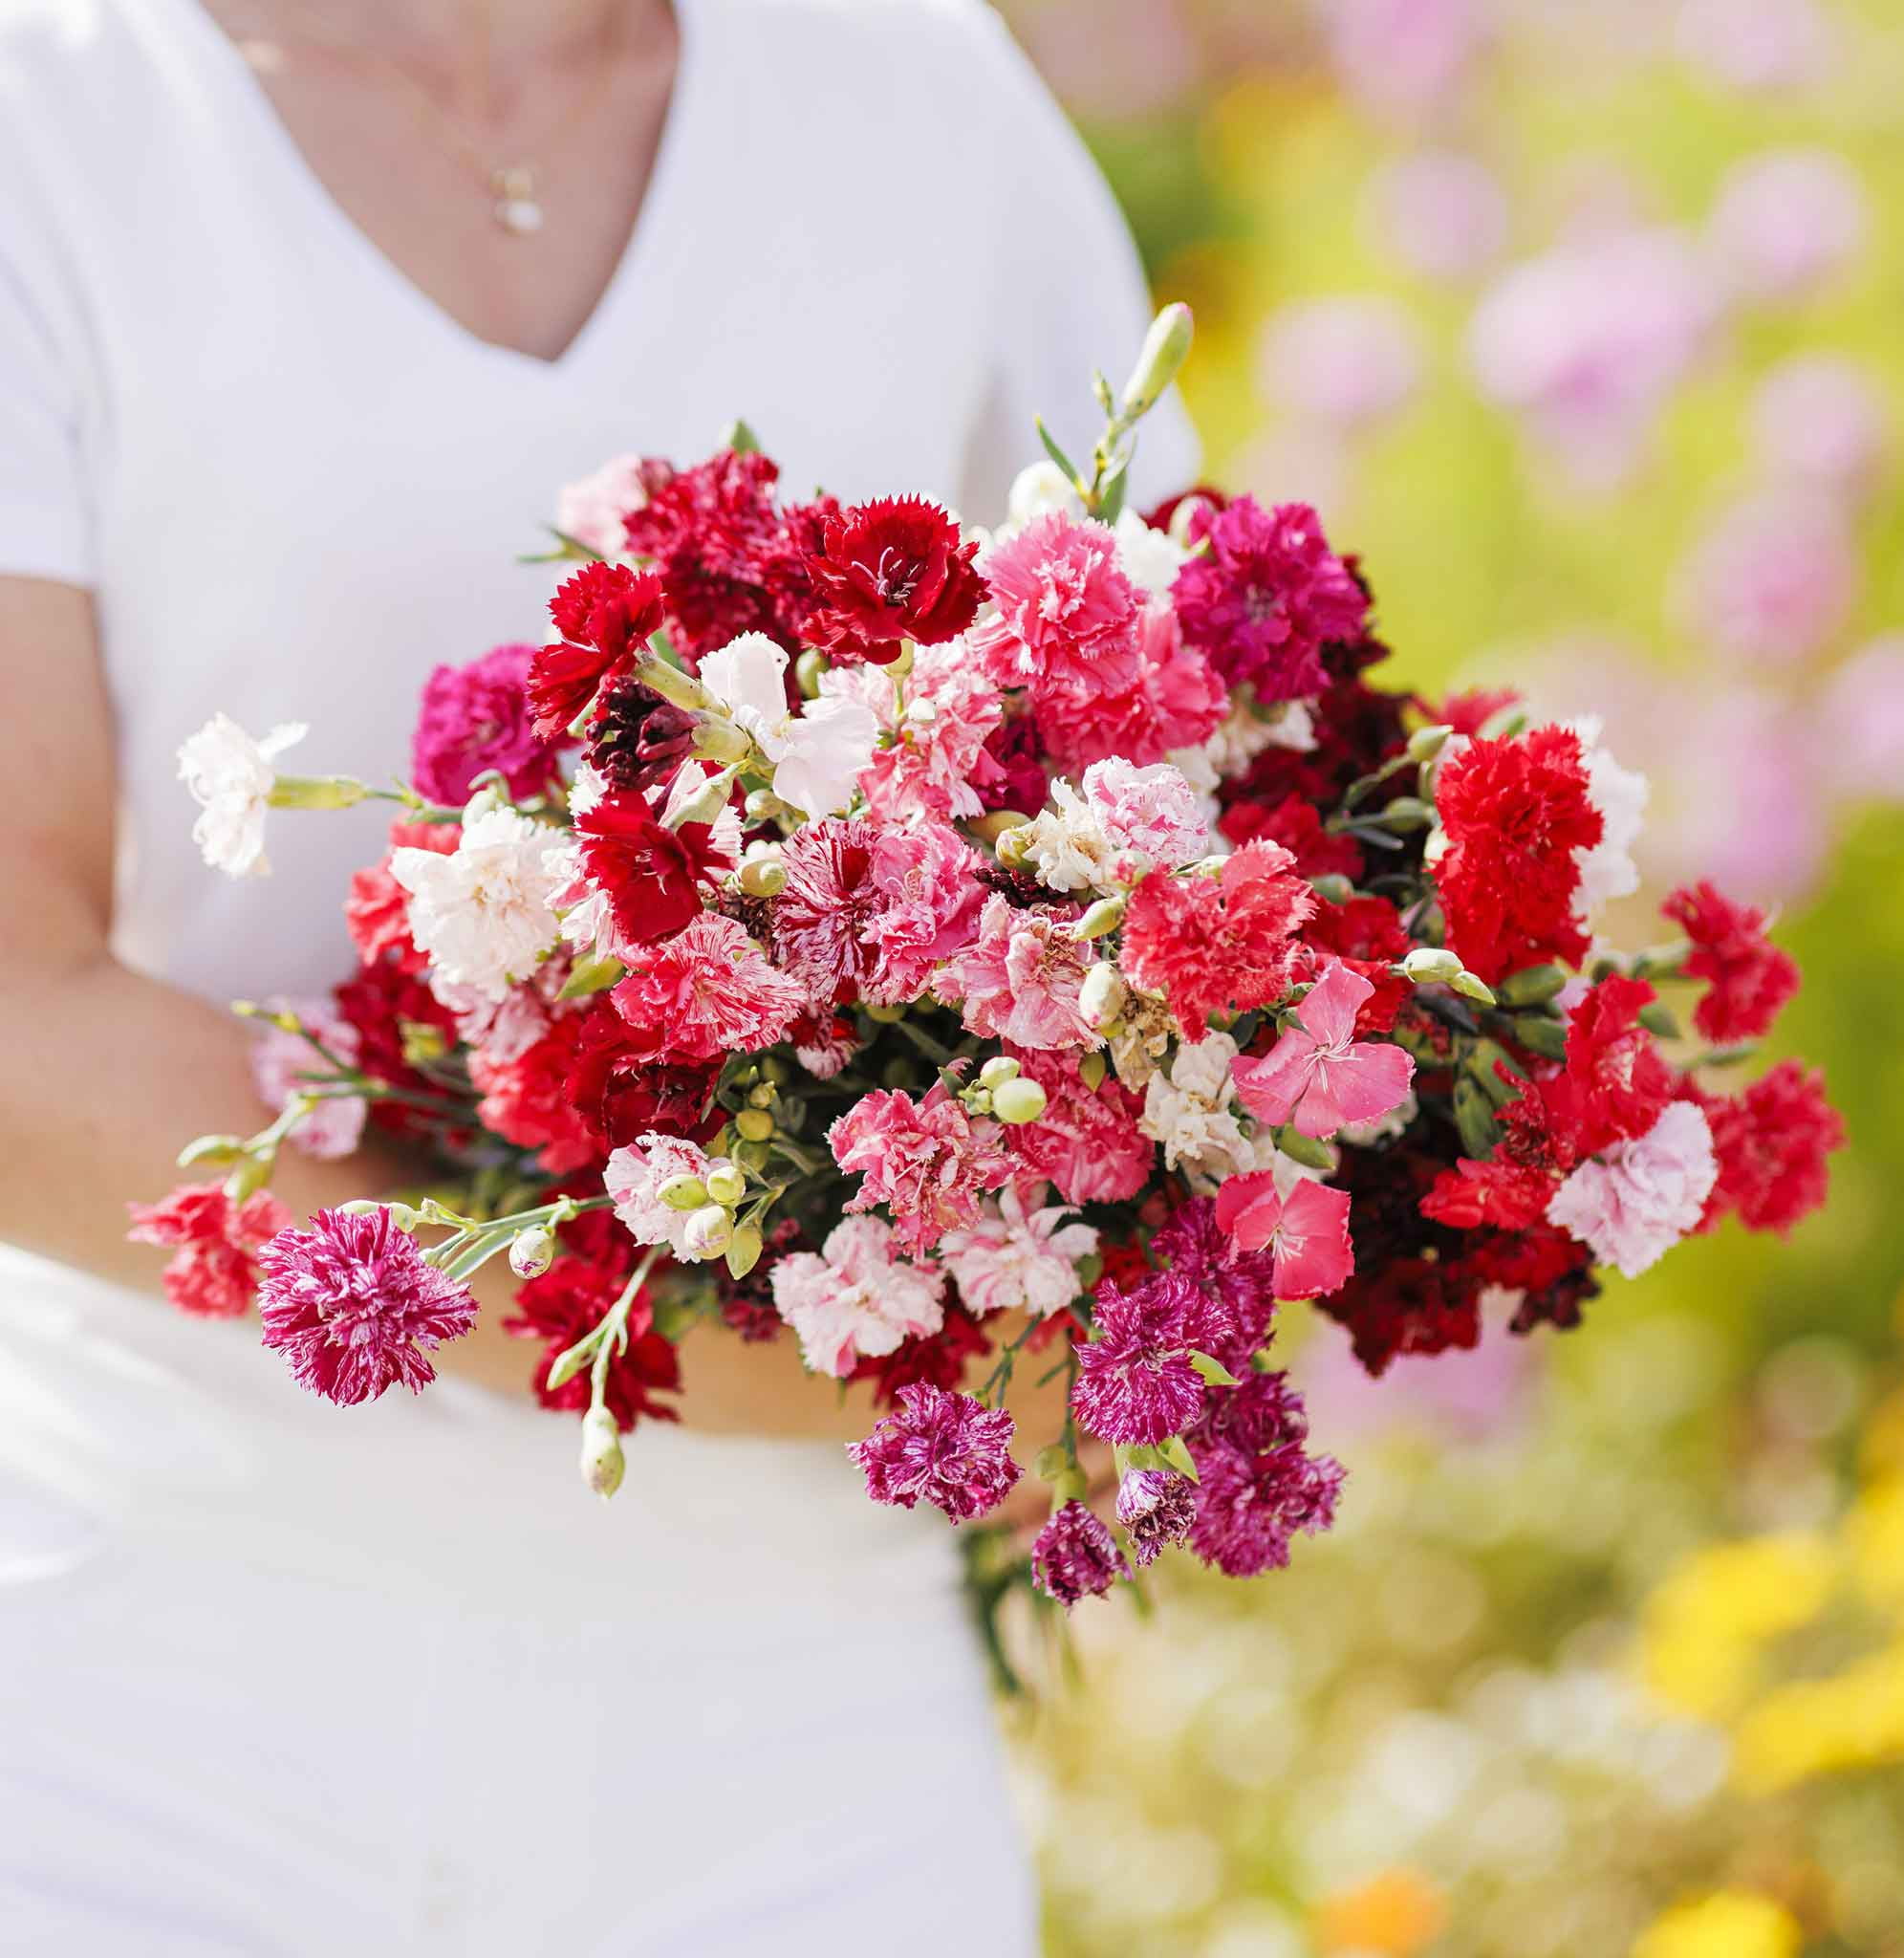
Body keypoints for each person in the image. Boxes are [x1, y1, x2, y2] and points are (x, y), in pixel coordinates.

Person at [0, 0, 1197, 1949]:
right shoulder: (53, 112)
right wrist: (701, 1338)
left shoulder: (913, 89)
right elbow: (11, 1020)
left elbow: (1178, 772)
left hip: (804, 1731)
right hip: (170, 1695)